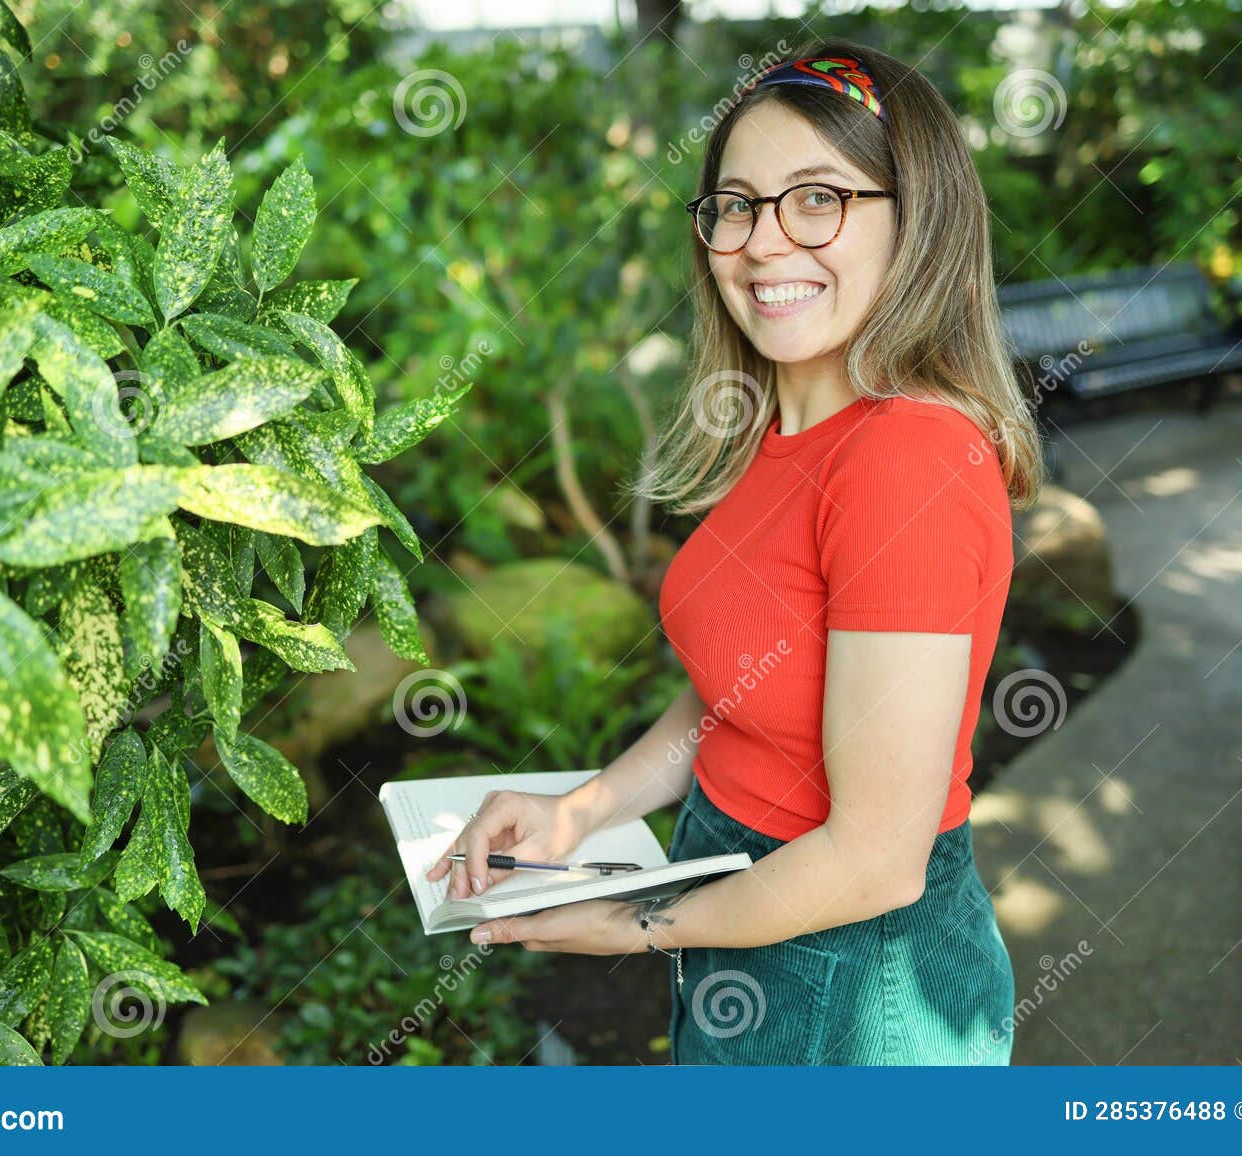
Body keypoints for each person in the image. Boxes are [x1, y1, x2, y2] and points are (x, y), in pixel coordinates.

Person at [426, 38, 1043, 1065]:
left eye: (817, 199)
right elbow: (736, 697)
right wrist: (578, 811)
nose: (762, 243)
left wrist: (629, 923)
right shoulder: (786, 428)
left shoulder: (905, 458)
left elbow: (877, 861)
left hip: (852, 981)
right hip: (750, 919)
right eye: (737, 204)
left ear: (917, 219)